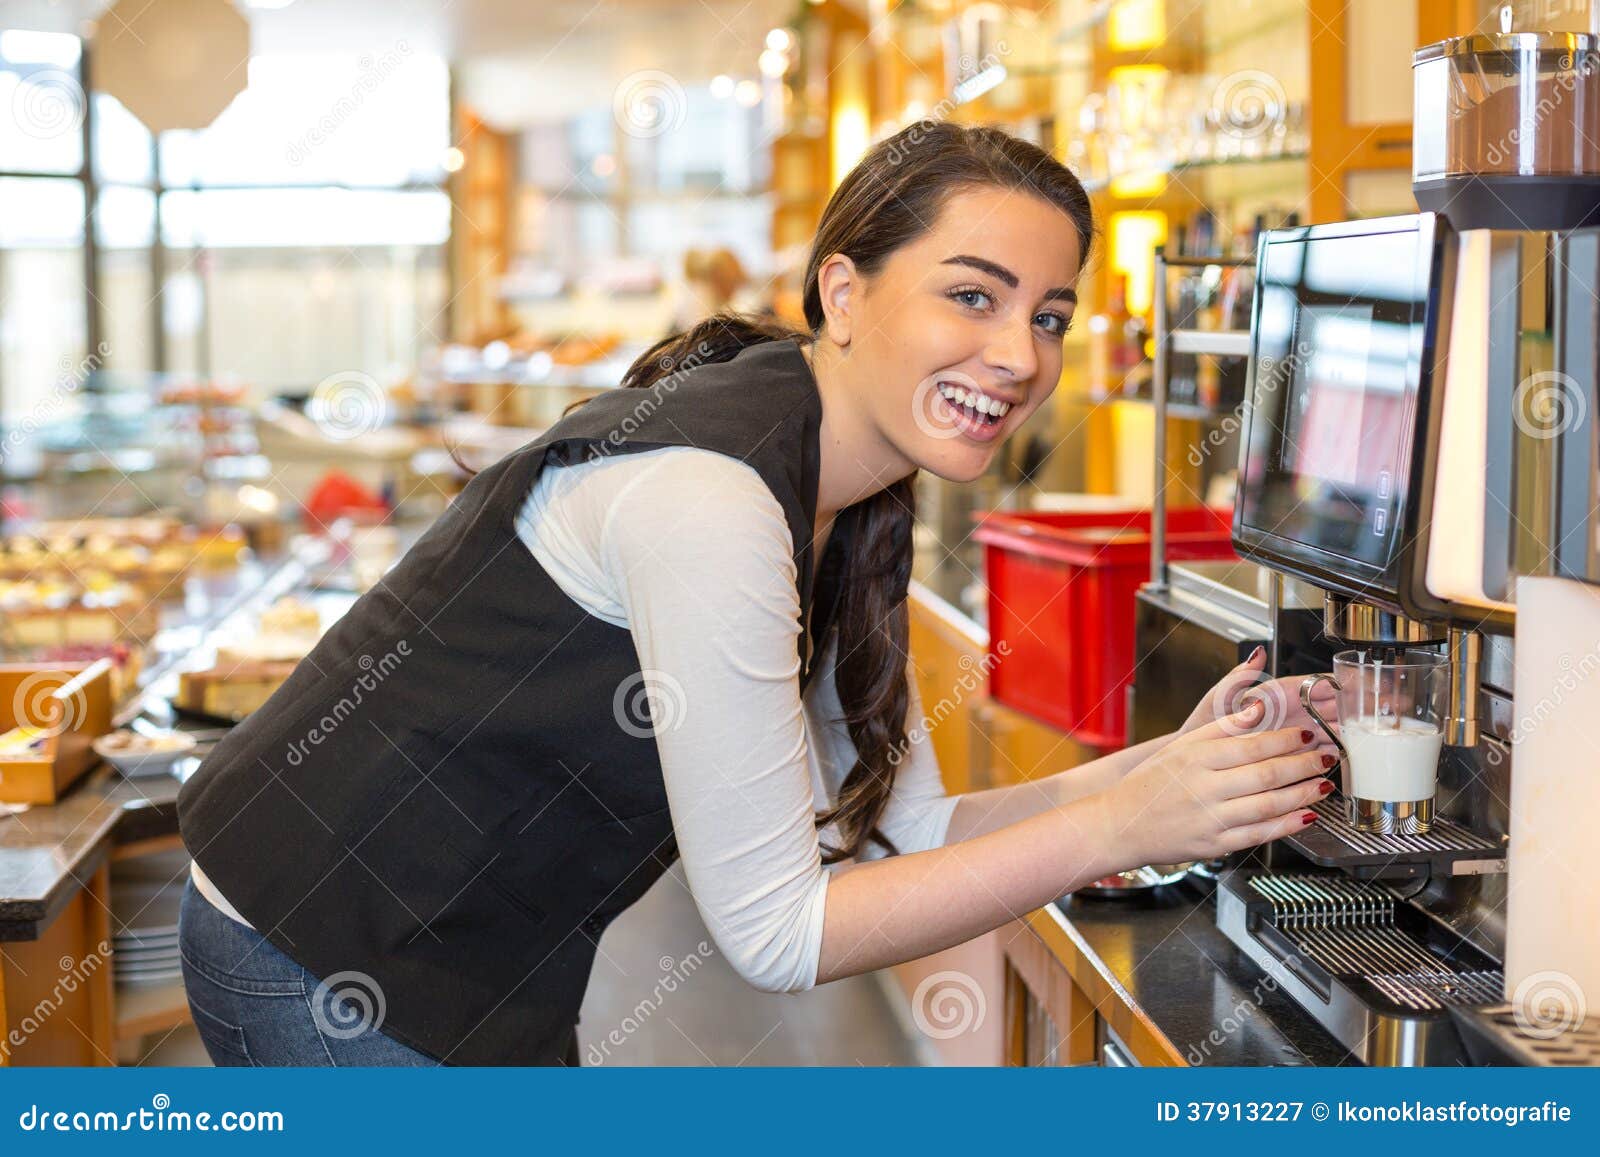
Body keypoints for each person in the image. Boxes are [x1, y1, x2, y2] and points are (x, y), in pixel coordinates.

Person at [175, 122, 1337, 1067]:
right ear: (844, 291)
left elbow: (908, 833)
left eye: (1046, 316)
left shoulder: (843, 488)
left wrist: (1160, 773)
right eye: (972, 296)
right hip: (318, 938)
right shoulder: (715, 499)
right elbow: (777, 933)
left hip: (461, 944)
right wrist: (1125, 826)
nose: (1021, 356)